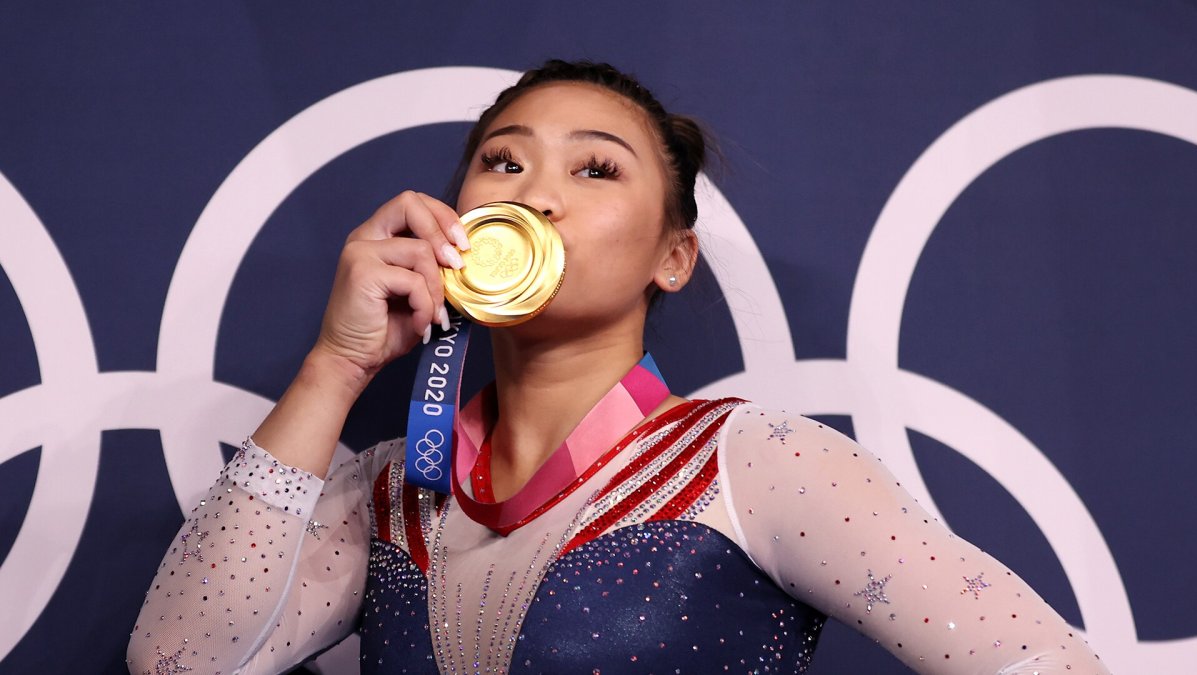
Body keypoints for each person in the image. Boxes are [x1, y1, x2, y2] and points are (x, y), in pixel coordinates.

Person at [127, 59, 1109, 674]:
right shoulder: (389, 489)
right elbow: (176, 663)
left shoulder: (756, 467)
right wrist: (336, 367)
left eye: (595, 169)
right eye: (504, 164)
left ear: (670, 257)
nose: (538, 196)